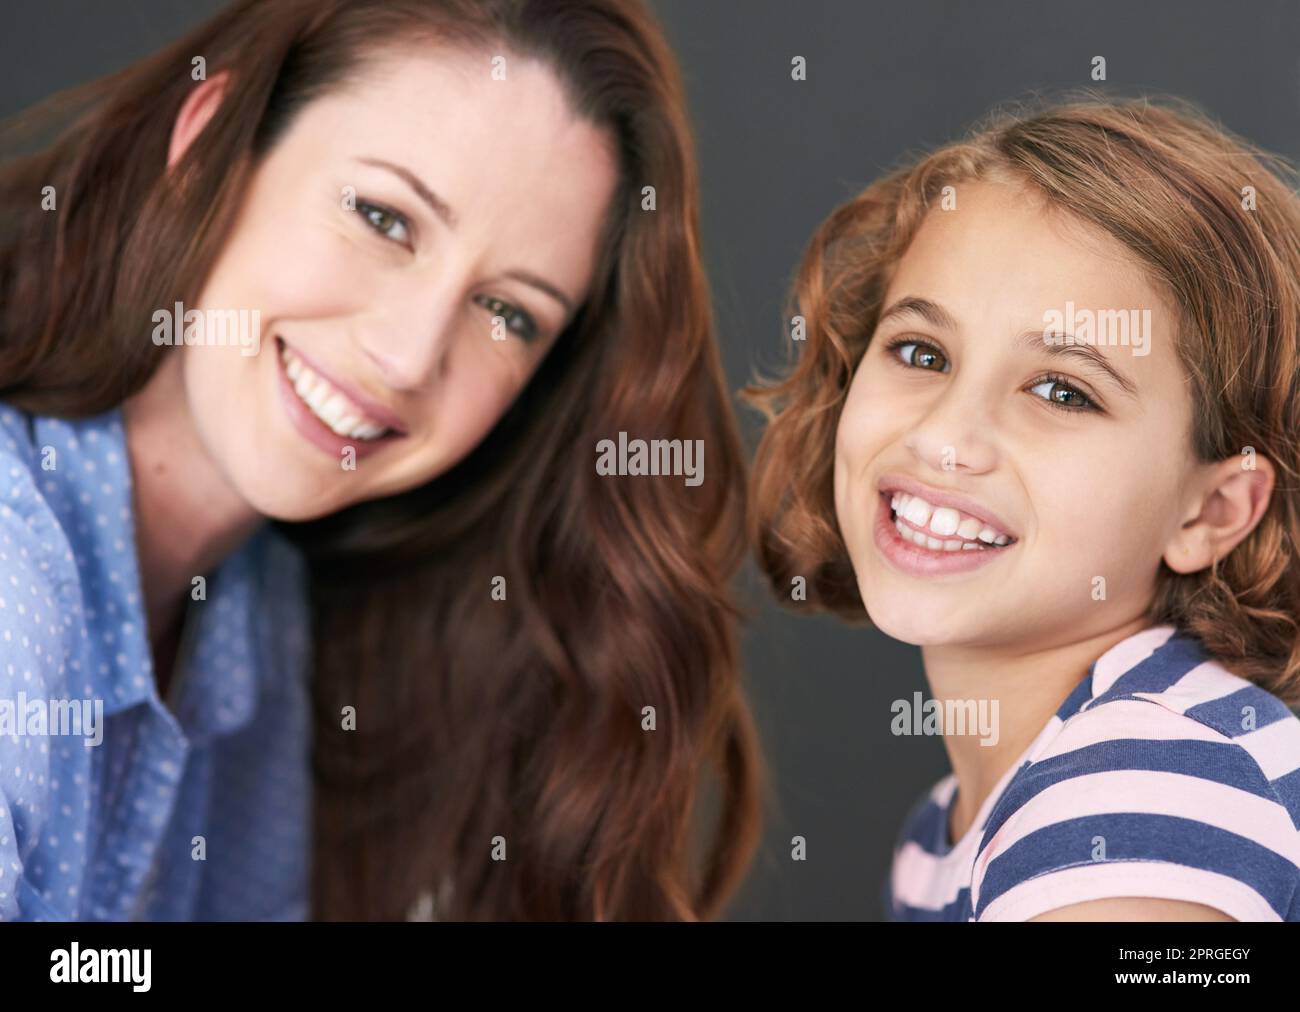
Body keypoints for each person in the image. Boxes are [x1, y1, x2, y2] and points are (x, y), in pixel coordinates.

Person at [0, 0, 762, 921]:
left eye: (508, 313)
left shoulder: (263, 625)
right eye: (382, 217)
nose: (407, 356)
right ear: (208, 146)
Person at [745, 96, 1300, 921]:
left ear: (1211, 511)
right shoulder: (957, 825)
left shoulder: (1145, 802)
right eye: (922, 352)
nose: (944, 436)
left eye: (1061, 391)